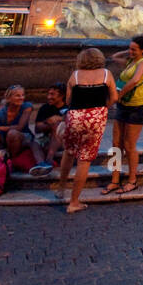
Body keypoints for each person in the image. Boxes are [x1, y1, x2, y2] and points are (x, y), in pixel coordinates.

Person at [58, 47, 117, 213]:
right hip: (96, 117)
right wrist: (103, 108)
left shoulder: (75, 75)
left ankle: (61, 188)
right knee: (84, 159)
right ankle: (74, 202)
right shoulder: (106, 74)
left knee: (69, 152)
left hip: (75, 116)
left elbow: (68, 100)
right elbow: (114, 97)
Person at [104, 35, 143, 194]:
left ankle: (132, 180)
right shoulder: (131, 61)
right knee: (116, 144)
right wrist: (129, 51)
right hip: (123, 105)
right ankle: (114, 180)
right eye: (130, 48)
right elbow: (114, 57)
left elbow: (135, 81)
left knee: (129, 145)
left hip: (137, 107)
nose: (131, 51)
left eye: (134, 49)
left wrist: (118, 95)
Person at [28, 85, 67, 172]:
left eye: (52, 94)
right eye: (48, 94)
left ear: (62, 96)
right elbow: (37, 128)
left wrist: (61, 119)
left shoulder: (69, 107)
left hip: (65, 141)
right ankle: (41, 164)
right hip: (48, 140)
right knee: (33, 143)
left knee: (57, 125)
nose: (49, 97)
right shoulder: (44, 108)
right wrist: (48, 123)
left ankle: (49, 160)